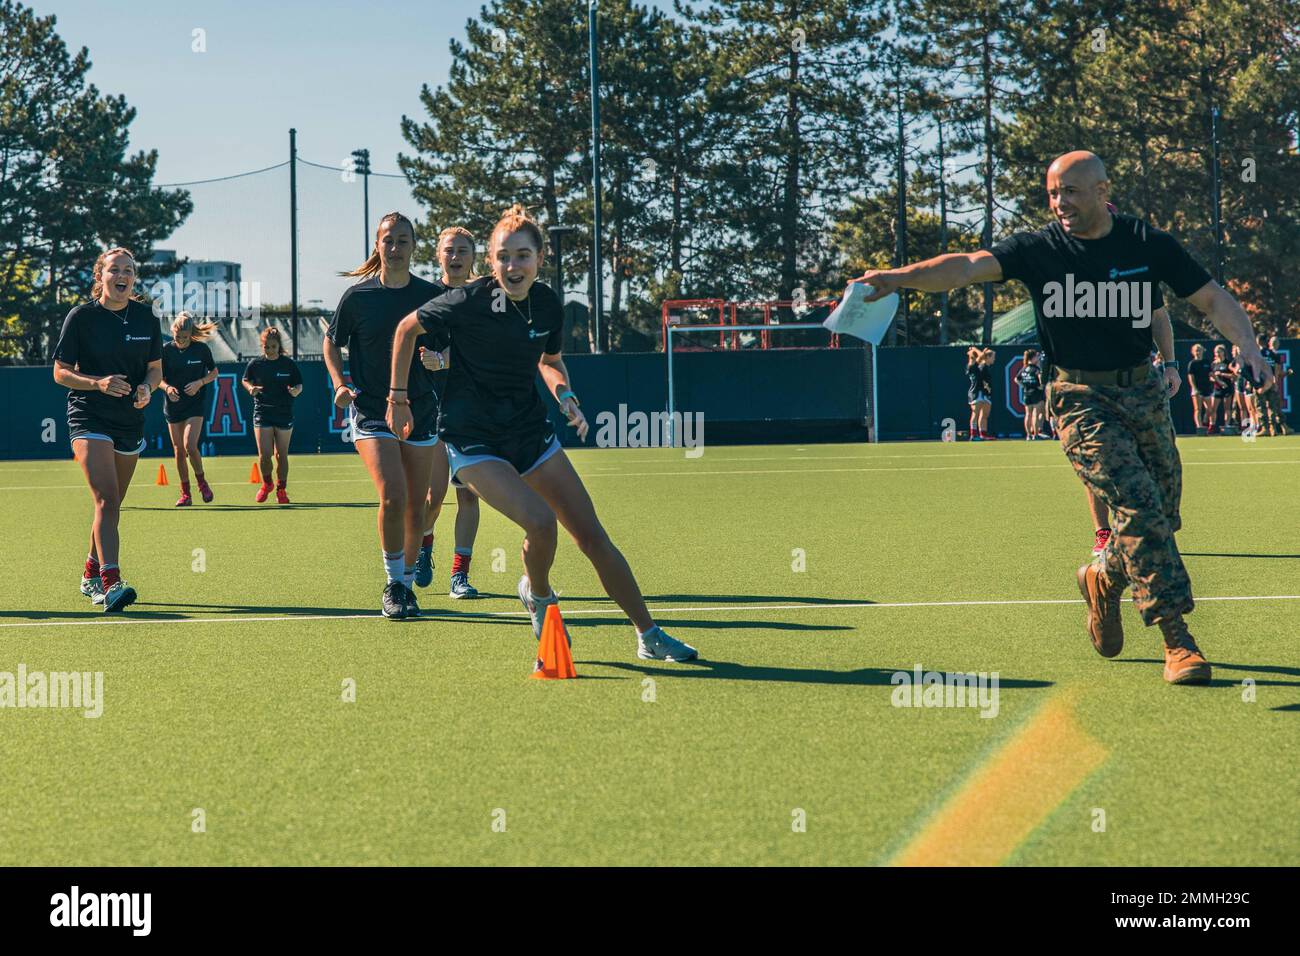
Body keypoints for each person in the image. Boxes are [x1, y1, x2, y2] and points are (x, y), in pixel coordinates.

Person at [851, 150, 1273, 685]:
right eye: (1053, 192)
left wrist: (1250, 348)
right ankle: (1177, 638)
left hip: (1141, 392)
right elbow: (966, 266)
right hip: (1078, 396)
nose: (1060, 202)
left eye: (1071, 191)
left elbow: (1211, 298)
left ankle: (1102, 579)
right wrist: (899, 277)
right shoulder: (1038, 249)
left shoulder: (1147, 245)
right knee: (1140, 508)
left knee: (1161, 518)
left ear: (1102, 191)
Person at [387, 204, 698, 662]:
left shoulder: (549, 304)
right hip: (474, 441)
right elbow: (405, 329)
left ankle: (648, 634)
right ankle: (542, 598)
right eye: (503, 257)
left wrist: (565, 395)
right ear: (490, 261)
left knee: (593, 537)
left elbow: (549, 363)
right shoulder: (466, 300)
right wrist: (397, 399)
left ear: (539, 258)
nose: (513, 266)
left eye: (523, 256)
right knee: (540, 521)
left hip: (530, 432)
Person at [325, 211, 444, 619]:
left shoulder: (431, 296)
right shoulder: (358, 297)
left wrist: (438, 360)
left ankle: (408, 585)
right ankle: (393, 584)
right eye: (388, 241)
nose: (394, 248)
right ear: (377, 245)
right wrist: (340, 383)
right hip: (373, 410)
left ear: (414, 246)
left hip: (422, 411)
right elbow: (331, 342)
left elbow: (448, 349)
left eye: (402, 241)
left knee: (418, 505)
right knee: (393, 496)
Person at [52, 247, 162, 612]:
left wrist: (148, 386)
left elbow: (156, 368)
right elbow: (60, 372)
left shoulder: (146, 317)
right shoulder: (81, 317)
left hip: (129, 420)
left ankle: (89, 572)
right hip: (89, 415)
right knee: (106, 500)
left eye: (129, 270)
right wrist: (97, 383)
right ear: (100, 276)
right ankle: (111, 583)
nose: (123, 275)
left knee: (112, 505)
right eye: (114, 269)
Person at [413, 226, 484, 600]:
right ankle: (425, 547)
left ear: (473, 256)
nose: (455, 256)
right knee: (433, 499)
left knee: (469, 496)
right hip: (430, 412)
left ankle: (460, 574)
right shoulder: (424, 297)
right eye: (448, 250)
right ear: (438, 255)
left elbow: (486, 351)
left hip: (470, 413)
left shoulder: (483, 298)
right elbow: (407, 342)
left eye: (462, 250)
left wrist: (445, 360)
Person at [160, 311, 219, 506]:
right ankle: (185, 493)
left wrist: (200, 382)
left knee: (190, 445)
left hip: (195, 405)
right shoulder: (165, 351)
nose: (181, 340)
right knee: (178, 451)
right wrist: (167, 388)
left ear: (191, 334)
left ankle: (202, 482)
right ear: (172, 332)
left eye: (185, 337)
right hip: (173, 406)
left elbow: (214, 372)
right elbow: (156, 378)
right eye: (178, 337)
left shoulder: (201, 350)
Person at [242, 328, 302, 503]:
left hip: (284, 413)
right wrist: (250, 388)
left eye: (273, 346)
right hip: (262, 412)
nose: (270, 350)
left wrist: (295, 391)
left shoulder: (288, 364)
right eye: (267, 347)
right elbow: (245, 380)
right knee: (265, 455)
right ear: (263, 346)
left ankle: (281, 490)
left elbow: (299, 384)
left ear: (279, 346)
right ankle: (267, 483)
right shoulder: (255, 364)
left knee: (281, 455)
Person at [1256, 334, 1292, 436]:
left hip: (1261, 383)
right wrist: (1275, 382)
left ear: (1258, 341)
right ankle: (1273, 429)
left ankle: (1265, 428)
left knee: (1261, 406)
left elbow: (1255, 369)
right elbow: (1277, 369)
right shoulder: (1273, 354)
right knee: (1272, 406)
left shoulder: (1258, 353)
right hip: (1271, 382)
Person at [1017, 349, 1046, 439]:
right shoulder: (1036, 369)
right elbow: (1040, 378)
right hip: (1036, 393)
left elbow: (1017, 379)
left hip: (1026, 393)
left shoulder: (1024, 368)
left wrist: (1024, 385)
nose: (1037, 358)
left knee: (1028, 414)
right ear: (1033, 358)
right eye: (1036, 357)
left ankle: (1028, 435)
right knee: (1036, 414)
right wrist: (1041, 386)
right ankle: (1036, 434)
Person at [965, 347, 994, 440]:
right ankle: (973, 434)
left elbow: (981, 357)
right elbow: (981, 356)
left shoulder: (976, 366)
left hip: (983, 392)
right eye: (972, 358)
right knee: (975, 413)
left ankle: (983, 434)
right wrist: (975, 349)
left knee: (984, 414)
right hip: (976, 392)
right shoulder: (972, 367)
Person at [1207, 344, 1233, 434]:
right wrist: (1218, 381)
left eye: (1219, 351)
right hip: (1217, 388)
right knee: (1213, 408)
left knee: (1227, 408)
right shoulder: (1214, 364)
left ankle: (1227, 425)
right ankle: (1212, 425)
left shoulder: (1228, 363)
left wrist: (1222, 374)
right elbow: (1210, 377)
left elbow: (1233, 376)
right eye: (1216, 352)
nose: (1217, 353)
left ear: (1223, 352)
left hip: (1227, 388)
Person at [1186, 343, 1211, 435]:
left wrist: (1220, 381)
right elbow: (1190, 377)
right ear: (1193, 352)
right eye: (1196, 350)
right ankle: (1199, 427)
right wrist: (1194, 389)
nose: (1198, 352)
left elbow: (1210, 374)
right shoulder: (1192, 364)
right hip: (1197, 390)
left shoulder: (1206, 362)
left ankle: (1205, 422)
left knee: (1210, 409)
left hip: (1207, 389)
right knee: (1198, 409)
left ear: (1202, 351)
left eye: (1199, 350)